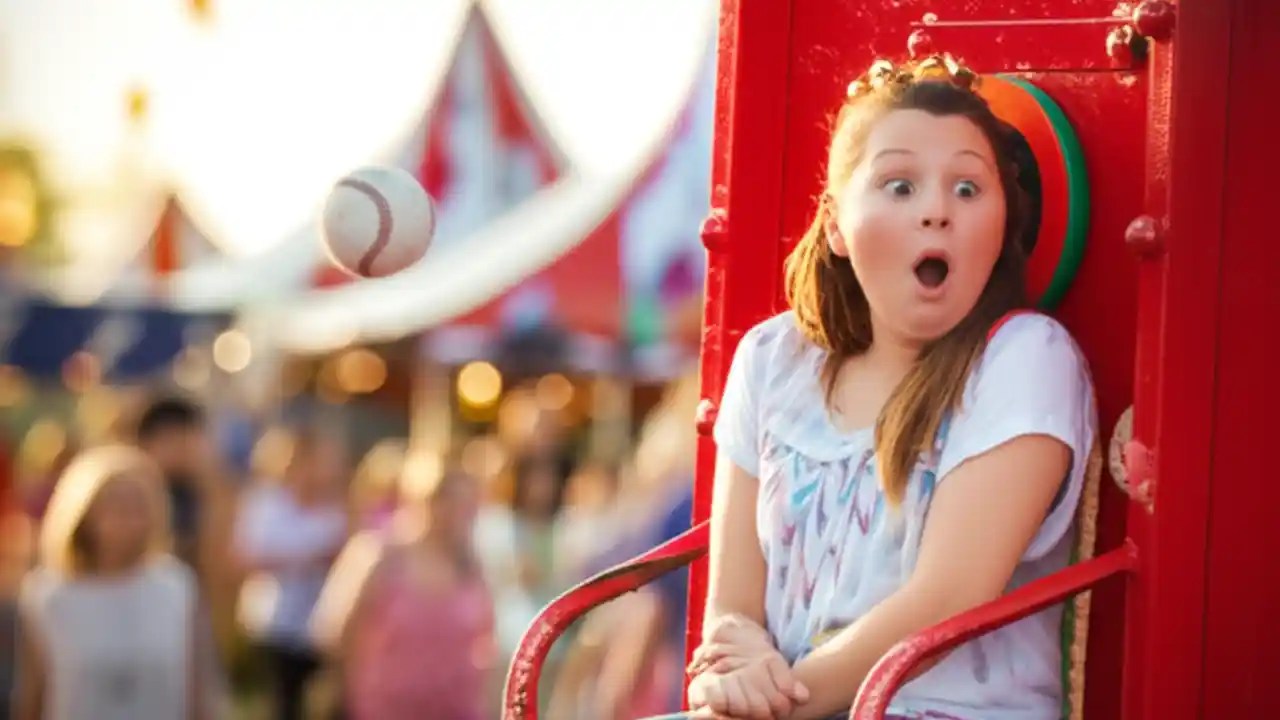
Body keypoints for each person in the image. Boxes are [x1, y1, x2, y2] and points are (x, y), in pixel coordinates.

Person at [669, 55, 1097, 720]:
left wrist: (769, 706)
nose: (936, 210)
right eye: (900, 186)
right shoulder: (772, 359)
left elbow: (945, 601)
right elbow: (730, 609)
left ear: (1000, 222)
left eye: (966, 189)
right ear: (836, 225)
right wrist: (731, 670)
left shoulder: (1023, 360)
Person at [12, 445, 222, 720]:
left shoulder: (176, 586)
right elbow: (33, 693)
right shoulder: (49, 595)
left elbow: (199, 685)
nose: (126, 518)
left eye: (138, 505)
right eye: (114, 505)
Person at [311, 455, 494, 720]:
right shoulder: (379, 553)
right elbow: (334, 631)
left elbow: (487, 636)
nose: (456, 514)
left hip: (456, 709)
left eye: (465, 505)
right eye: (446, 501)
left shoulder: (471, 564)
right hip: (383, 708)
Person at [233, 426, 348, 720]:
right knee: (284, 703)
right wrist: (306, 559)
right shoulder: (266, 504)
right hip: (278, 623)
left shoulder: (336, 508)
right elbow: (246, 556)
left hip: (324, 623)